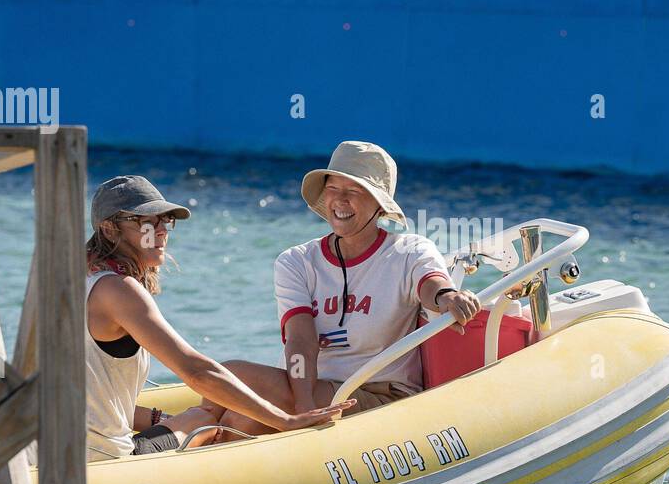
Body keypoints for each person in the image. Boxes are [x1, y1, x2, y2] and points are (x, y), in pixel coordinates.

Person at [201, 141, 480, 436]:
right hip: (310, 387)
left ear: (379, 204)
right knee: (234, 407)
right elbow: (300, 341)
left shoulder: (409, 251)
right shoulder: (296, 261)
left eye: (355, 191)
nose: (340, 200)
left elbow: (432, 284)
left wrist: (448, 297)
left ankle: (176, 437)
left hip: (380, 395)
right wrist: (305, 404)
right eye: (333, 188)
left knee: (233, 380)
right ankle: (177, 442)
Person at [84, 175, 350, 460]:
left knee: (195, 416)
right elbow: (196, 371)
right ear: (110, 230)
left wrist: (161, 419)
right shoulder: (119, 290)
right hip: (103, 461)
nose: (161, 231)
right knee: (203, 421)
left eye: (165, 220)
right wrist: (284, 420)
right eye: (147, 221)